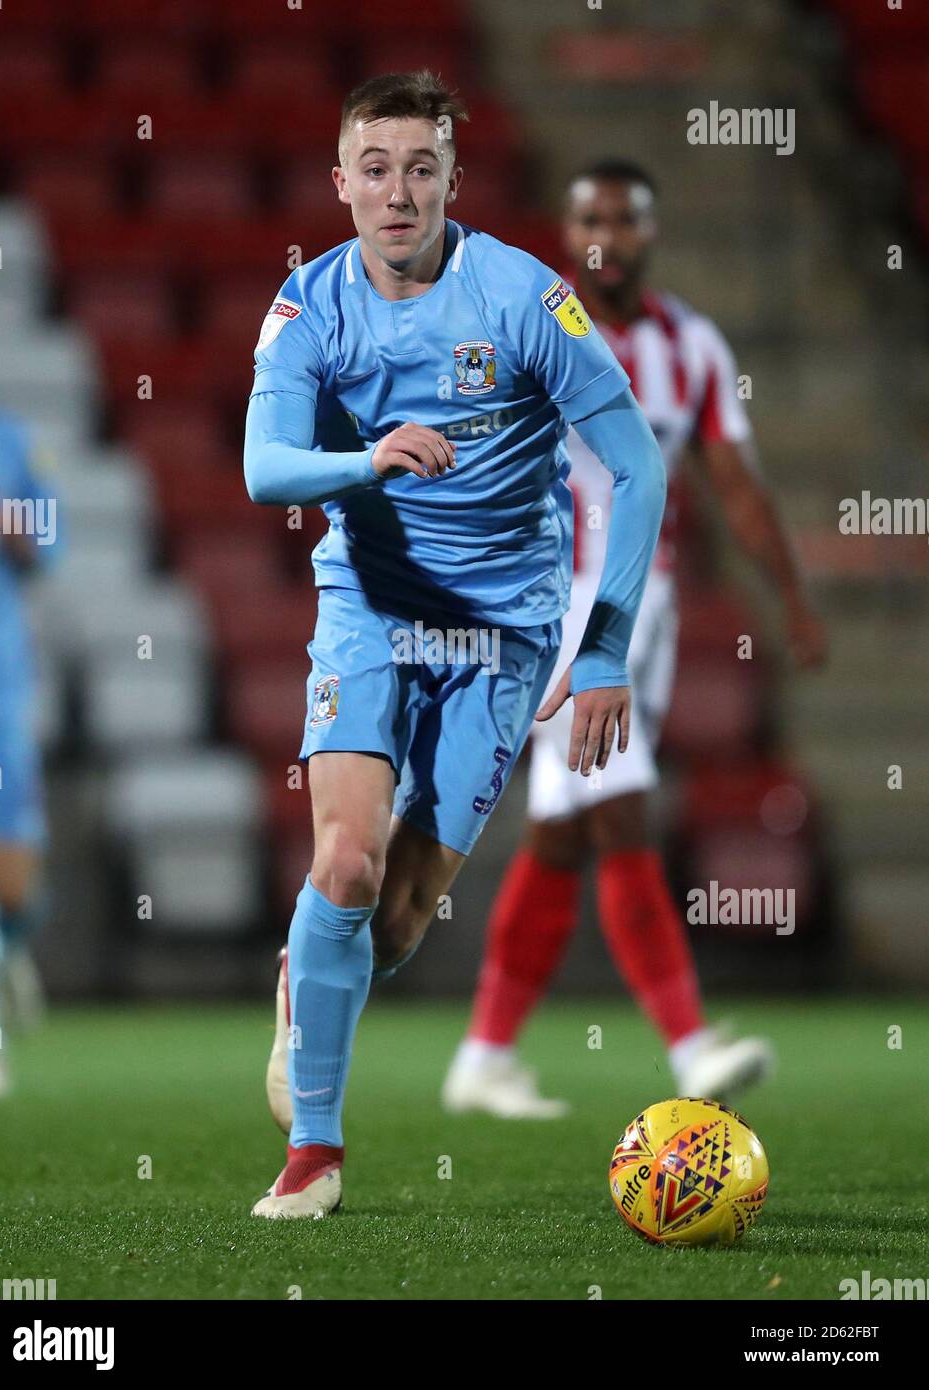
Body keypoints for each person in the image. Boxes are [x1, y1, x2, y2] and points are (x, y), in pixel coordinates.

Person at [243, 77, 666, 1219]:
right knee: (345, 863)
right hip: (371, 608)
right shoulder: (307, 308)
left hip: (503, 633)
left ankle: (307, 976)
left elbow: (641, 466)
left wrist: (606, 648)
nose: (397, 190)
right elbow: (264, 467)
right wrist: (366, 462)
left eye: (419, 166)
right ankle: (316, 1153)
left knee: (402, 915)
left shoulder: (527, 299)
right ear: (340, 184)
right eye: (373, 167)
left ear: (451, 181)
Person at [441, 159, 828, 1119]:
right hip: (549, 607)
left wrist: (791, 595)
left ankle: (485, 1054)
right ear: (568, 235)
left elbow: (733, 478)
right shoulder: (526, 327)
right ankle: (691, 1046)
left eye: (627, 216)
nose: (609, 234)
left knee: (566, 832)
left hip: (640, 608)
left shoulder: (690, 345)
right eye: (591, 218)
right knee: (617, 810)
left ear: (651, 233)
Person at [0, 383, 57, 1099]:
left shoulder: (5, 440)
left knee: (12, 878)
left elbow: (48, 547)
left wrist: (16, 532)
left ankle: (9, 940)